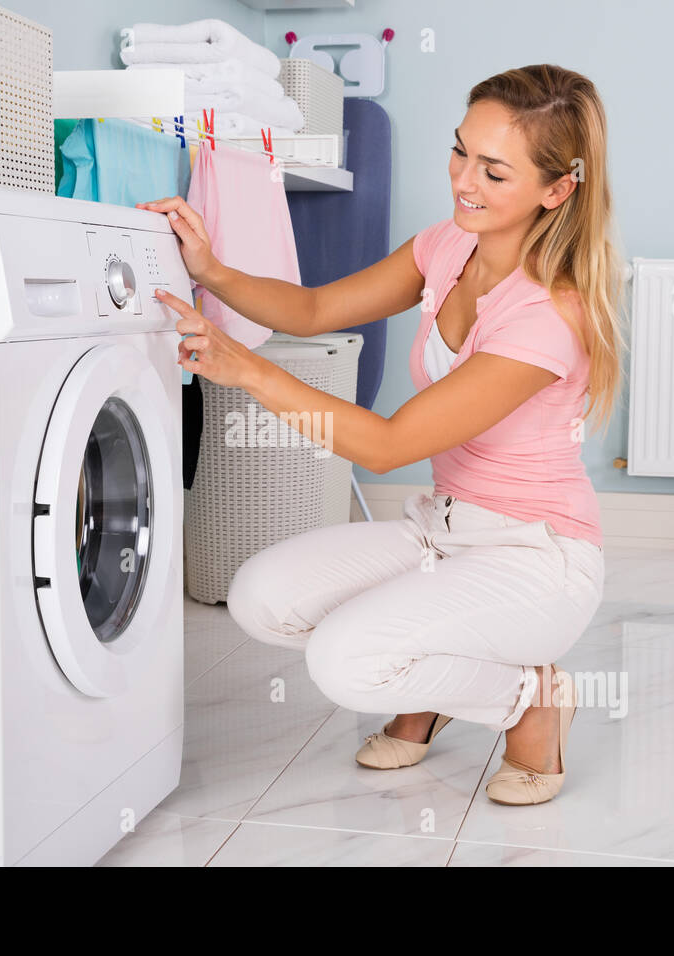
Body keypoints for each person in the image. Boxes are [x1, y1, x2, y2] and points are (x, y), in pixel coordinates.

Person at [137, 63, 626, 806]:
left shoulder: (546, 316)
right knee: (260, 597)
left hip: (534, 556)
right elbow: (309, 309)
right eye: (461, 151)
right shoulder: (446, 248)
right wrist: (212, 268)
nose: (464, 179)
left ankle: (530, 701)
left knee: (342, 662)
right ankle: (432, 676)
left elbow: (389, 445)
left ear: (556, 190)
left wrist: (248, 372)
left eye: (495, 172)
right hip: (441, 531)